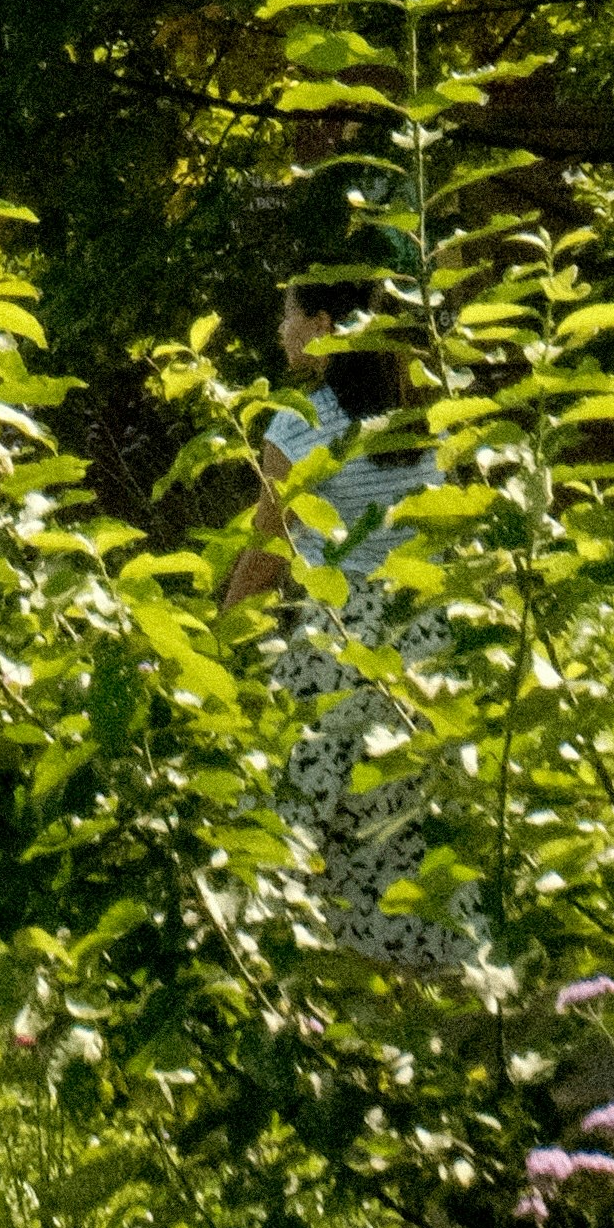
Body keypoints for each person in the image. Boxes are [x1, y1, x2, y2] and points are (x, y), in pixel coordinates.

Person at [238, 288, 454, 963]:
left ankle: (319, 976)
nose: (281, 331)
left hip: (344, 647)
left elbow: (263, 561)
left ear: (324, 326)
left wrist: (216, 654)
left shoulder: (298, 429)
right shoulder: (427, 412)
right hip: (433, 643)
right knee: (413, 824)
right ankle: (435, 983)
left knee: (296, 820)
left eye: (289, 314)